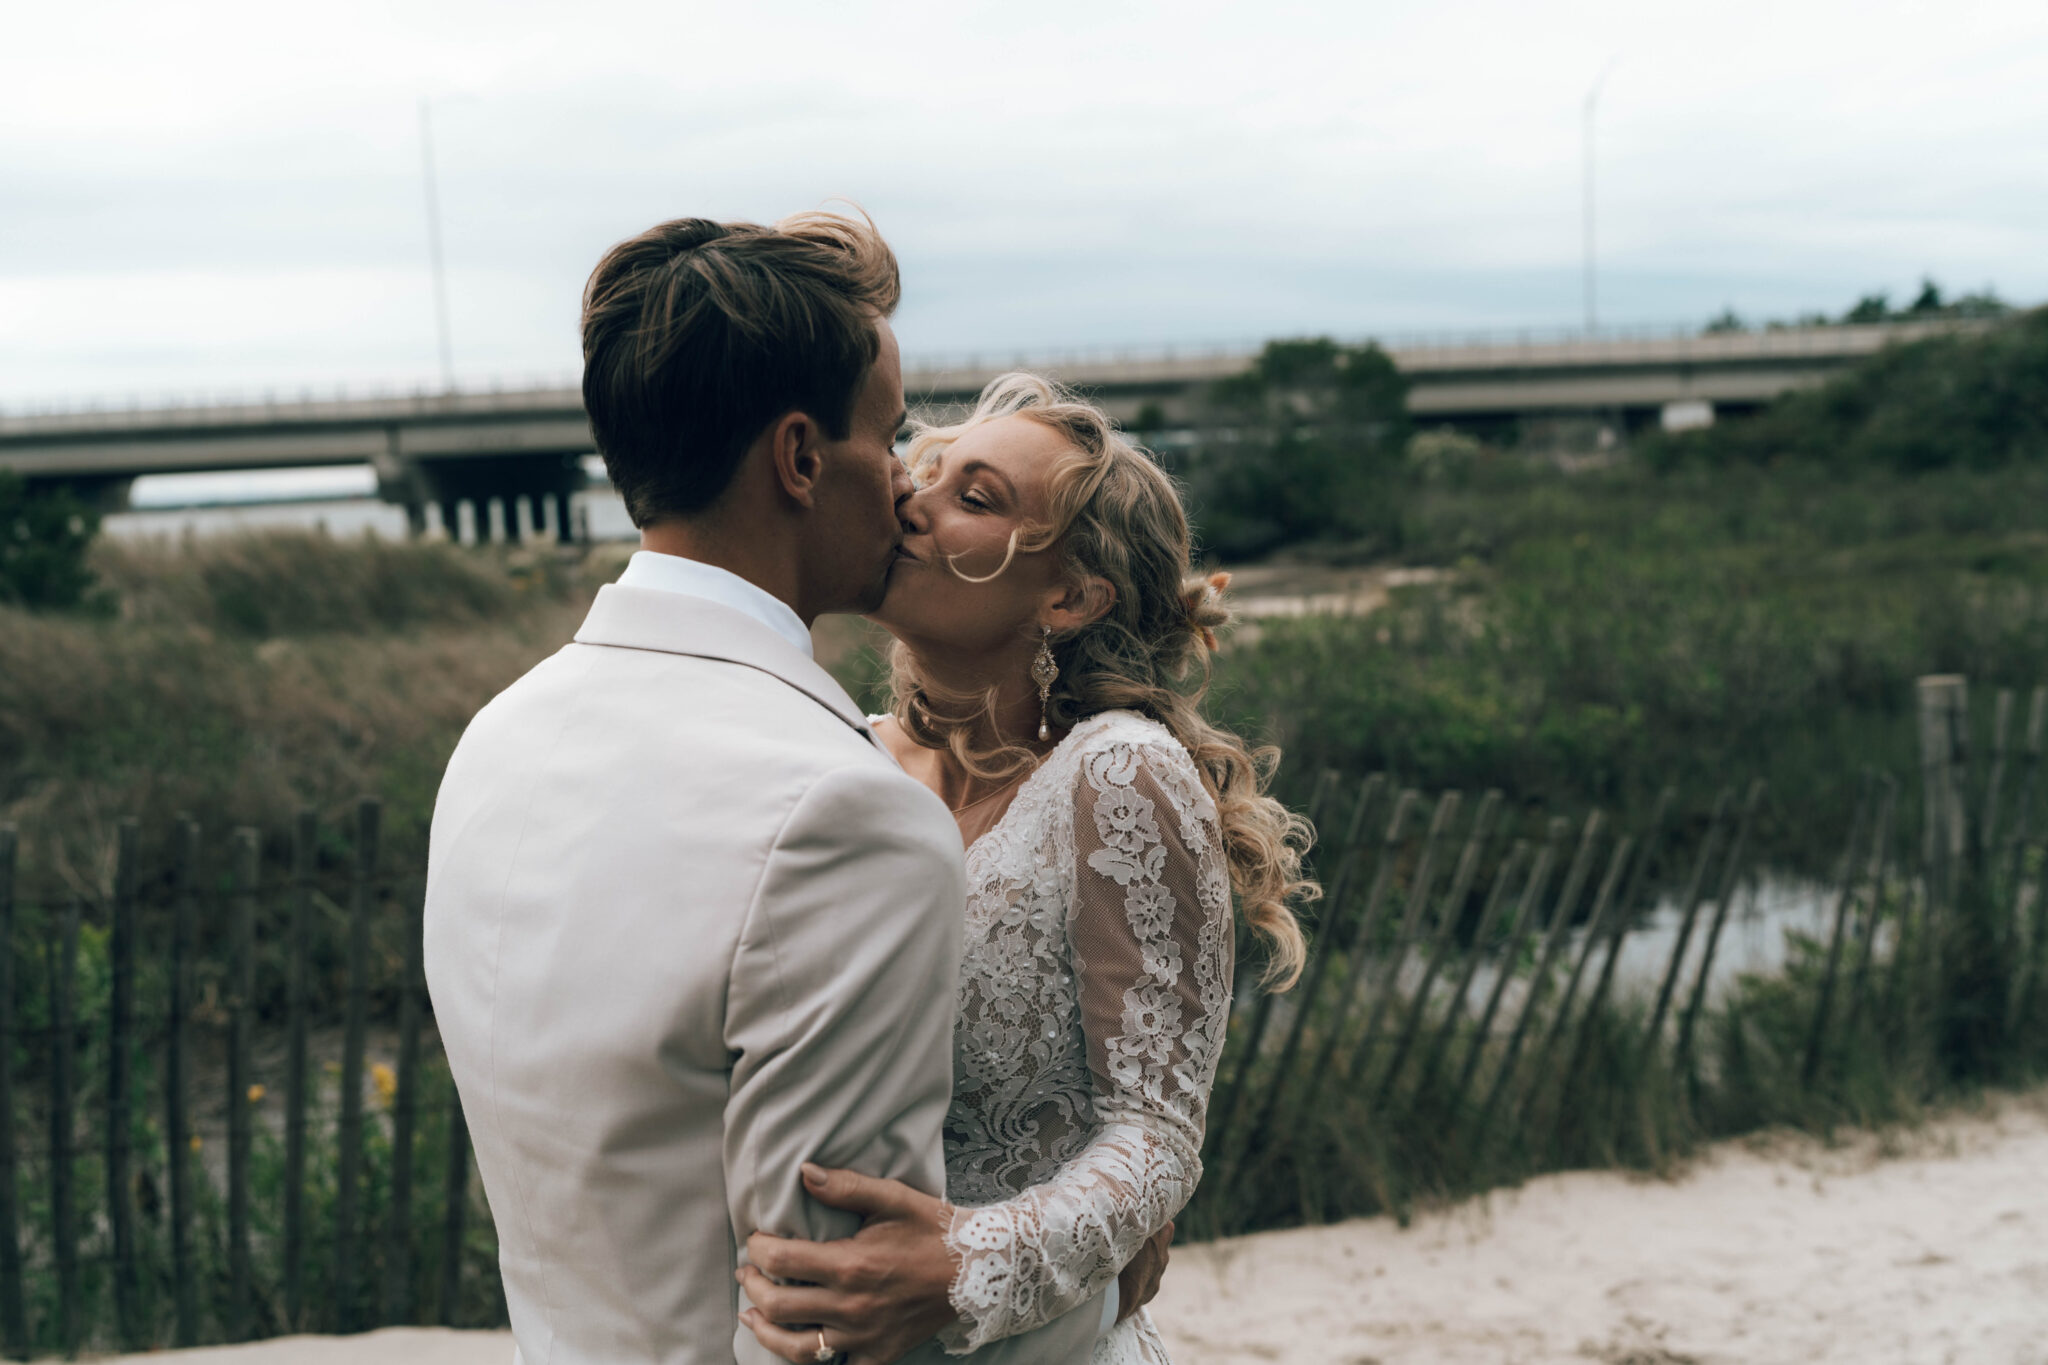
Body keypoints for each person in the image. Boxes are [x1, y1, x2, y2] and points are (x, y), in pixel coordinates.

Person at [423, 210, 1114, 1365]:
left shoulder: (495, 738)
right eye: (886, 437)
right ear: (799, 458)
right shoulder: (847, 816)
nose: (904, 488)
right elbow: (830, 1320)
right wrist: (1092, 1290)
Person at [736, 374, 1317, 1364]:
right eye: (925, 473)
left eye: (975, 497)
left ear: (1070, 596)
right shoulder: (842, 756)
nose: (910, 501)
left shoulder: (1116, 774)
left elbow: (1156, 1139)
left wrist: (964, 1268)